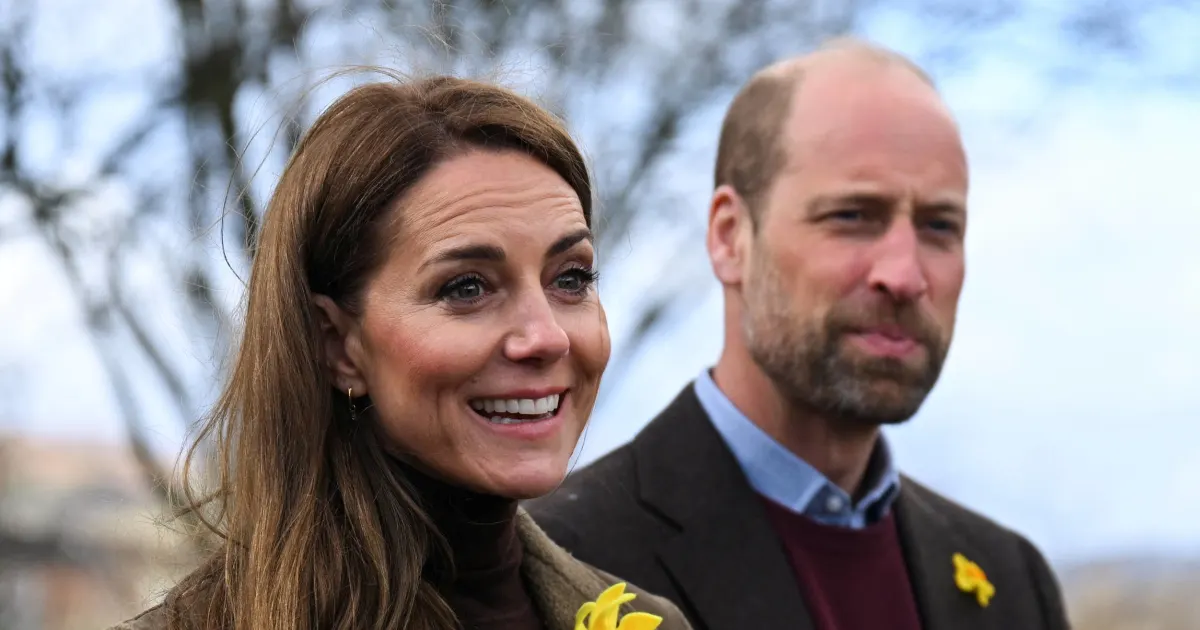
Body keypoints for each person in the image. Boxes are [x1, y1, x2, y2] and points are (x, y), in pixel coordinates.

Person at [526, 39, 1072, 630]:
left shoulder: (1013, 581)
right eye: (852, 216)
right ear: (730, 237)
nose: (905, 276)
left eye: (940, 226)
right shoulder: (555, 567)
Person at [110, 73, 690, 630]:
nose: (547, 336)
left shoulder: (650, 621)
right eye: (467, 287)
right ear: (337, 345)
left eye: (571, 278)